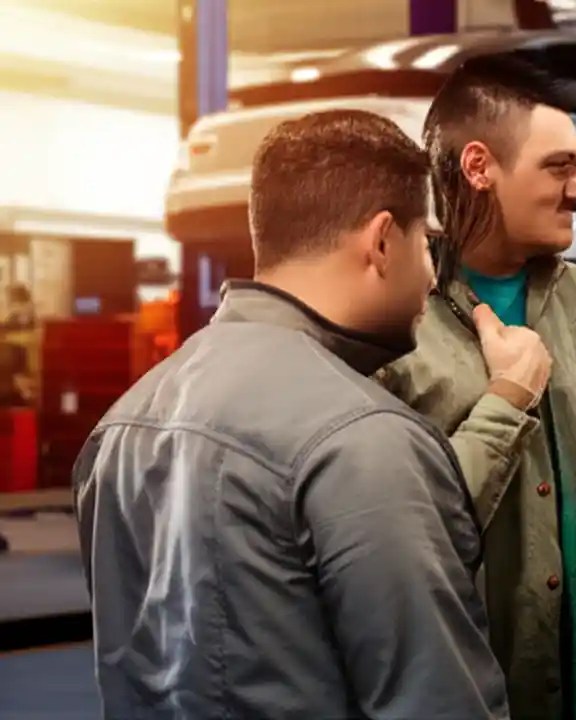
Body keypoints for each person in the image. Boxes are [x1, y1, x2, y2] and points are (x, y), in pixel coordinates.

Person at [72, 109, 510, 719]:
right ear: (382, 242)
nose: (433, 277)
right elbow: (437, 702)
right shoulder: (366, 440)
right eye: (428, 243)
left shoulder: (121, 426)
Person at [378, 53, 576, 720]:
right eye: (559, 167)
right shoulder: (400, 316)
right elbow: (390, 522)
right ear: (479, 167)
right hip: (474, 684)